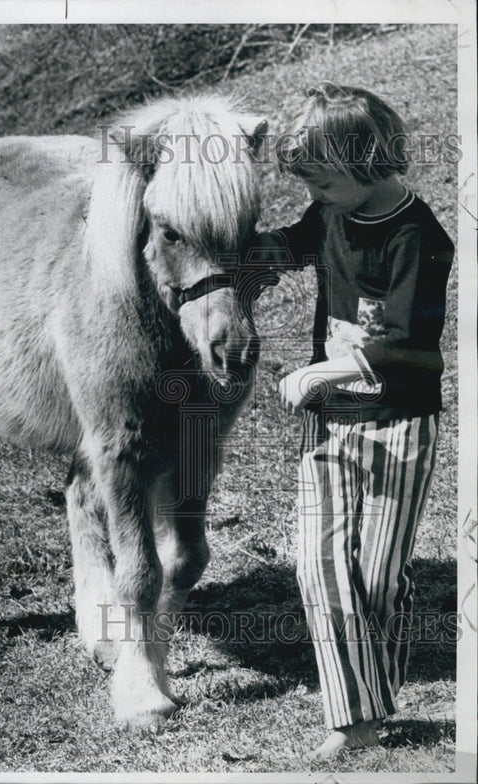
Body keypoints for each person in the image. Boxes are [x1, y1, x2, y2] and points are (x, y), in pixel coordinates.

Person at [255, 82, 454, 759]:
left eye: (321, 178)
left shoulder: (419, 237)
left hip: (401, 422)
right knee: (318, 566)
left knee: (375, 577)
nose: (312, 194)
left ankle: (372, 704)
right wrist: (236, 256)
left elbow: (409, 341)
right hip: (331, 424)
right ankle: (353, 721)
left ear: (364, 160)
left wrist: (324, 369)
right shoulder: (330, 211)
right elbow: (292, 244)